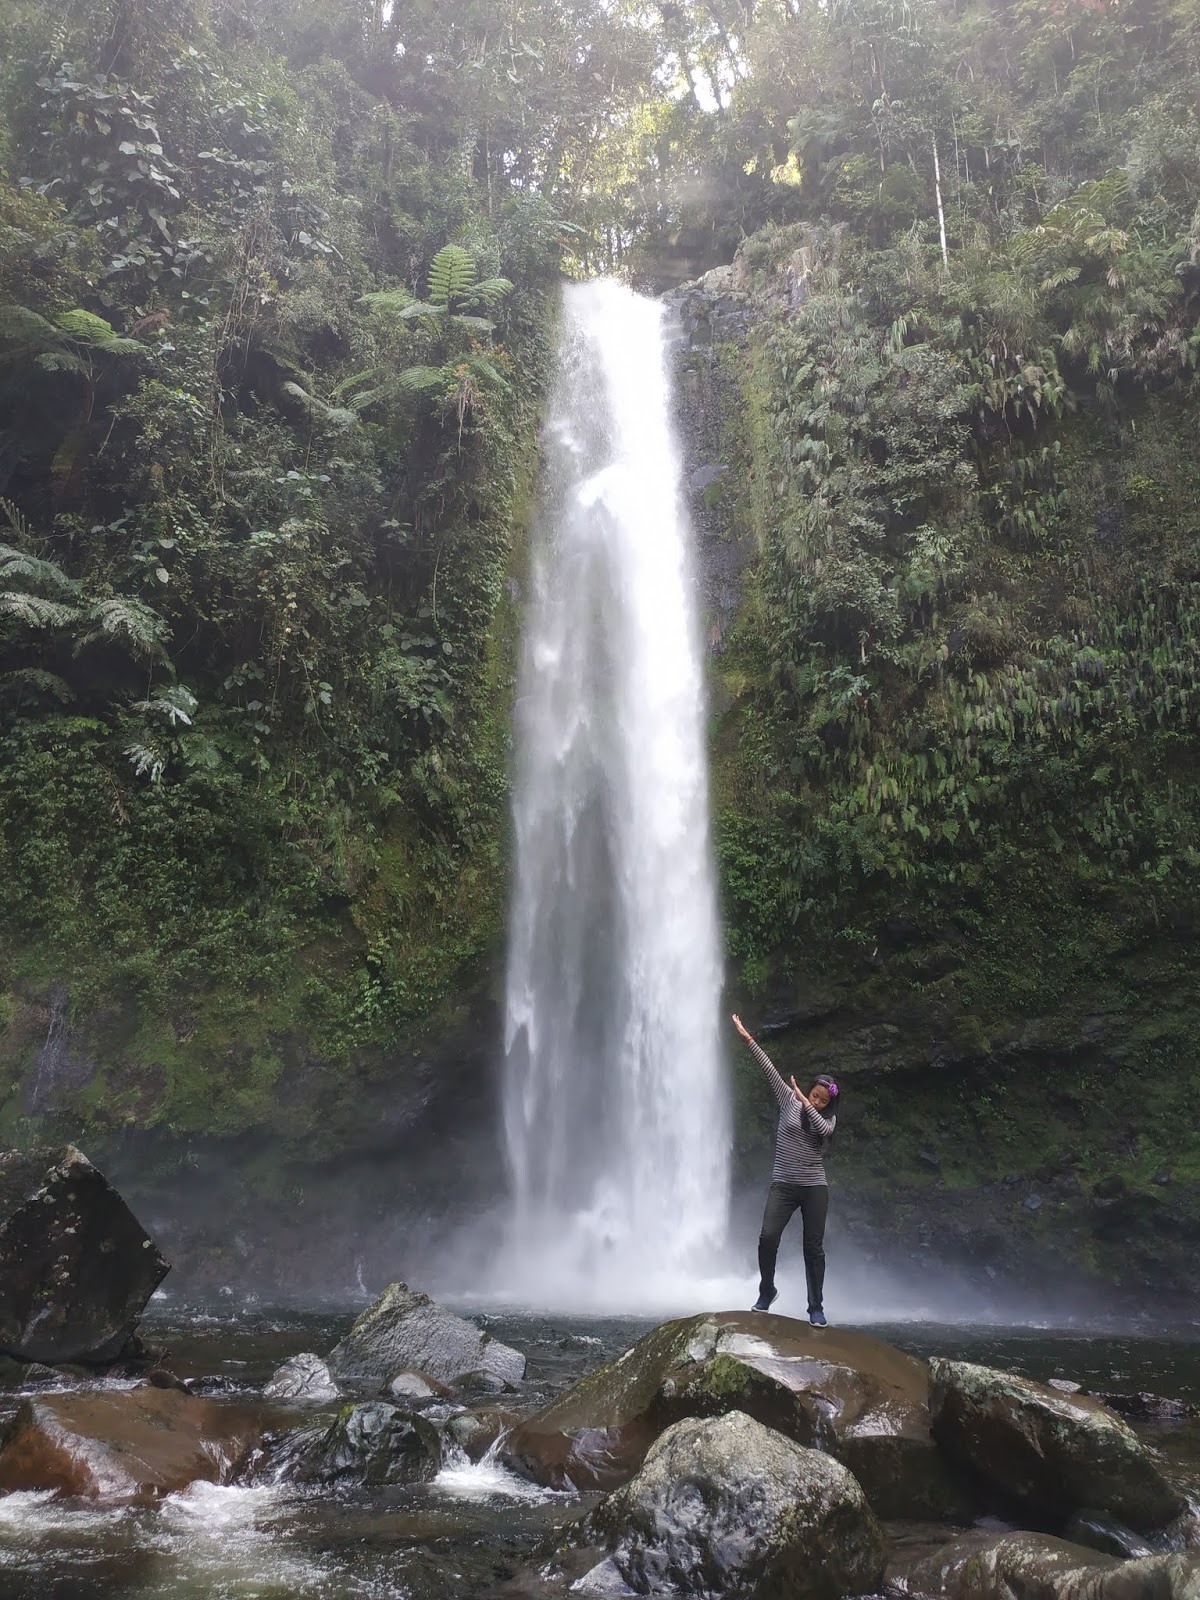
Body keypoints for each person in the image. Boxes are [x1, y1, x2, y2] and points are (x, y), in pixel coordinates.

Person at [731, 1013, 839, 1326]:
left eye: (822, 1100)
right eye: (814, 1094)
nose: (816, 1102)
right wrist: (748, 1038)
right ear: (809, 1088)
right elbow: (768, 1068)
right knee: (767, 1237)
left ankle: (815, 1307)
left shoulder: (828, 1120)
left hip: (814, 1187)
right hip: (784, 1184)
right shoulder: (787, 1099)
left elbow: (822, 1129)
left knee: (813, 1247)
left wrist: (804, 1100)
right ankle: (767, 1289)